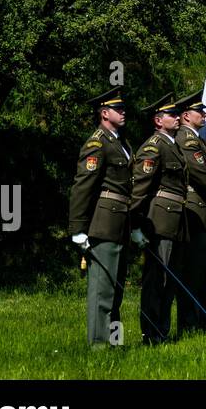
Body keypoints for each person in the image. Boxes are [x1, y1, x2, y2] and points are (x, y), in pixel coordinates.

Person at [67, 86, 134, 348]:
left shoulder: (121, 142)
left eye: (123, 108)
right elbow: (83, 186)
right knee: (102, 290)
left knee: (116, 290)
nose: (123, 111)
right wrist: (78, 228)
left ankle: (114, 344)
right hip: (104, 223)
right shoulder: (97, 142)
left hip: (121, 221)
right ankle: (98, 346)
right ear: (105, 113)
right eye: (118, 109)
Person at [129, 94, 186, 344]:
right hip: (159, 220)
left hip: (173, 220)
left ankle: (162, 331)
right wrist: (134, 223)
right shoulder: (154, 146)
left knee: (169, 280)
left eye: (176, 114)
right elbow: (140, 188)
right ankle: (150, 334)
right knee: (157, 280)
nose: (176, 118)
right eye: (171, 115)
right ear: (158, 120)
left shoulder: (172, 144)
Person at [174, 93, 206, 334]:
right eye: (199, 112)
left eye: (204, 111)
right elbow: (200, 172)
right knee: (191, 271)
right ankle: (188, 324)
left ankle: (196, 321)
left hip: (200, 207)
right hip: (193, 206)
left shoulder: (196, 139)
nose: (204, 115)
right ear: (185, 116)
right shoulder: (186, 139)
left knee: (197, 270)